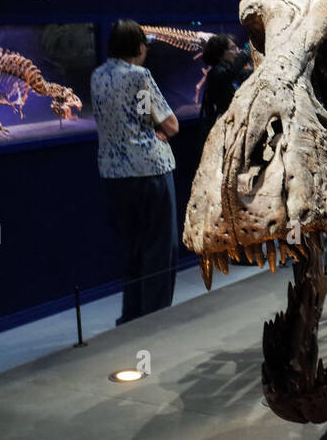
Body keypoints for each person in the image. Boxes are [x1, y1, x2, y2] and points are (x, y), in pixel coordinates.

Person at [91, 19, 180, 325]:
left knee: (133, 249)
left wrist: (146, 125)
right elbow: (171, 125)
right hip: (149, 172)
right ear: (139, 46)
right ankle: (155, 323)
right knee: (159, 250)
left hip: (113, 176)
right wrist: (155, 127)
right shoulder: (139, 75)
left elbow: (132, 117)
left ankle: (131, 320)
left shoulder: (97, 76)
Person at [199, 33, 251, 135]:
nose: (237, 51)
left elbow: (244, 74)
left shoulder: (229, 71)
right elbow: (229, 74)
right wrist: (246, 53)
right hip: (224, 127)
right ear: (220, 53)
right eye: (232, 48)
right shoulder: (216, 73)